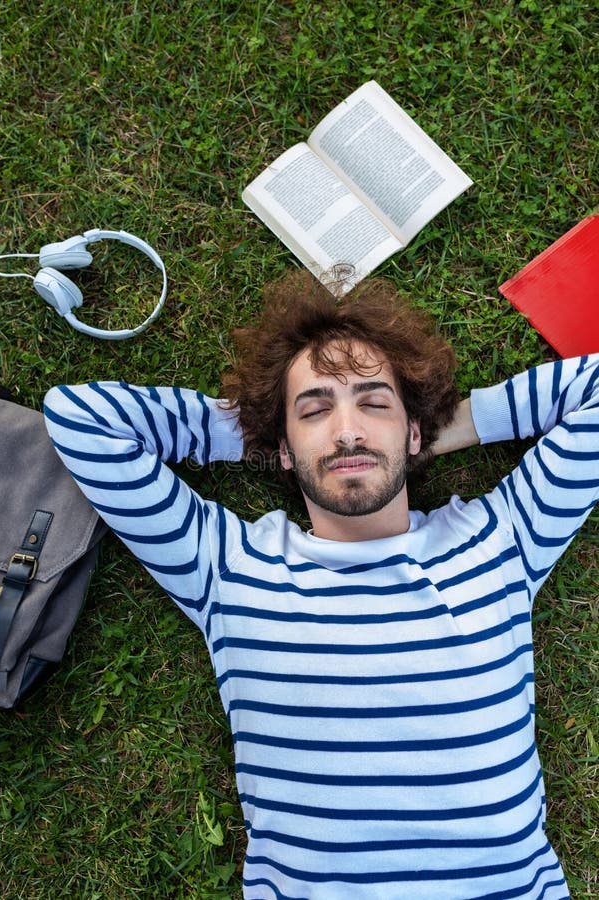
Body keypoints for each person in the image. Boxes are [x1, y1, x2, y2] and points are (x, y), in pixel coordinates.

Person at [44, 270, 598, 900]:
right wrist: (266, 430)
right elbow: (80, 419)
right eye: (315, 409)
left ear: (415, 429)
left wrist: (447, 426)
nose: (347, 431)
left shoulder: (500, 541)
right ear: (283, 448)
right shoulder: (228, 565)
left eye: (374, 402)